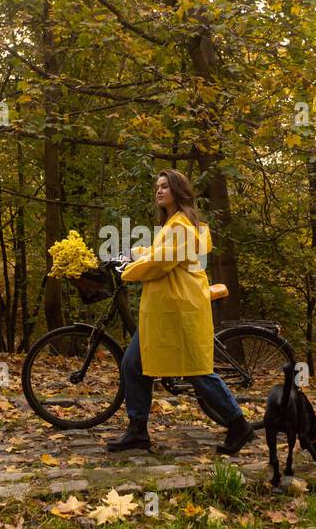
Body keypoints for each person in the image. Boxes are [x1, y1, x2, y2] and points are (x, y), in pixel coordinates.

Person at [106, 170, 256, 455]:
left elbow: (161, 262)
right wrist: (132, 254)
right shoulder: (174, 224)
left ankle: (239, 425)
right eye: (157, 187)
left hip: (178, 309)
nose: (159, 191)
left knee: (198, 372)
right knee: (133, 365)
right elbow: (156, 251)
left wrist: (128, 271)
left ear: (178, 190)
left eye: (165, 186)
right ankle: (137, 430)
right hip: (166, 310)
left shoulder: (182, 225)